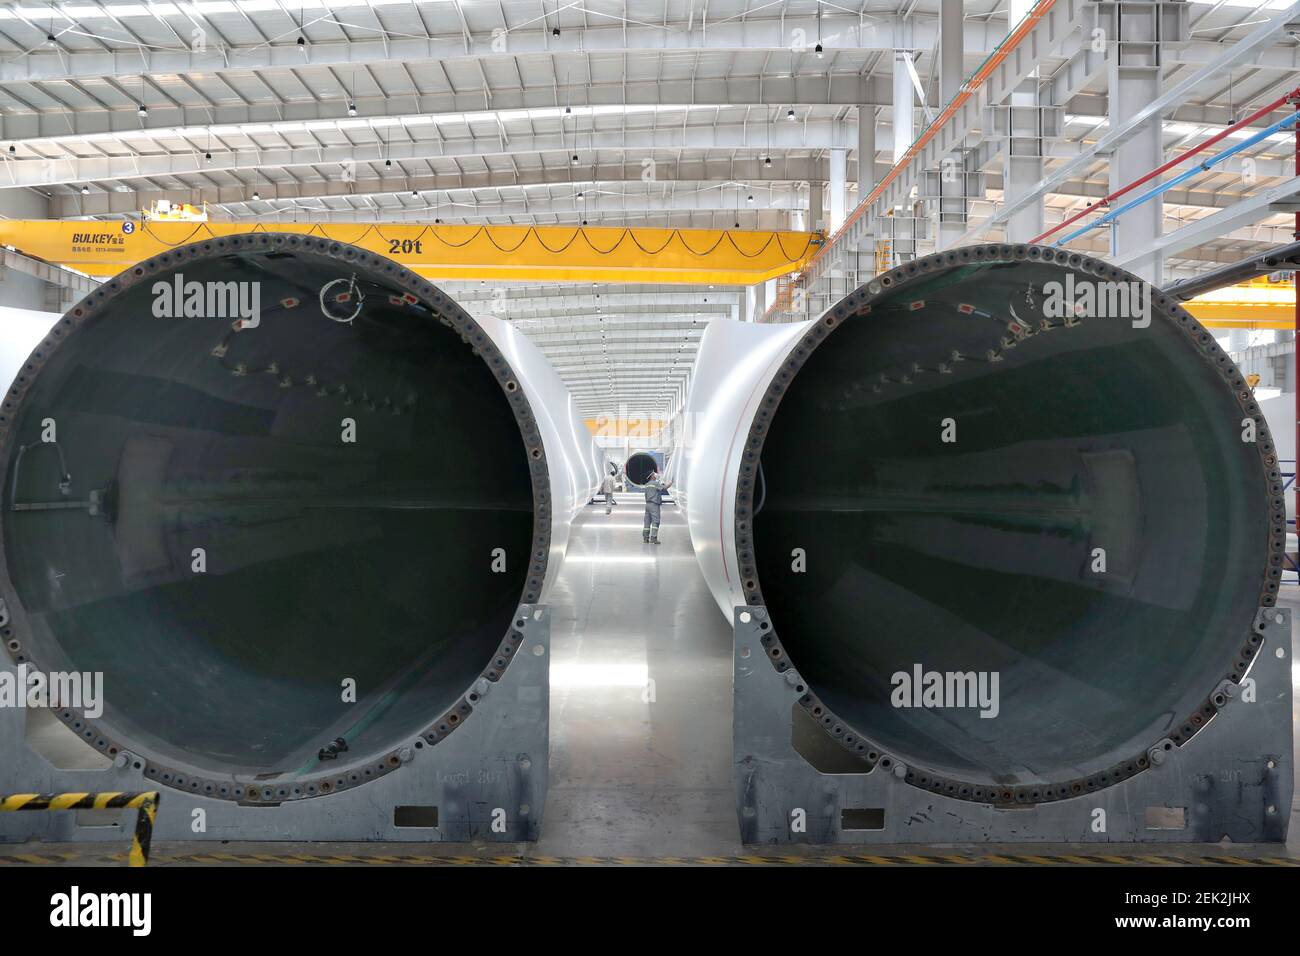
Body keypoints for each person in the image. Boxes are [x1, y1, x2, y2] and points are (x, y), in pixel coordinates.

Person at [642, 469, 671, 544]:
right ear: (651, 476)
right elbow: (665, 488)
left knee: (647, 522)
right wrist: (671, 482)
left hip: (647, 505)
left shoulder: (647, 484)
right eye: (654, 474)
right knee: (656, 521)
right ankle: (653, 538)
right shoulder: (655, 483)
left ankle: (645, 538)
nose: (655, 475)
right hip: (654, 505)